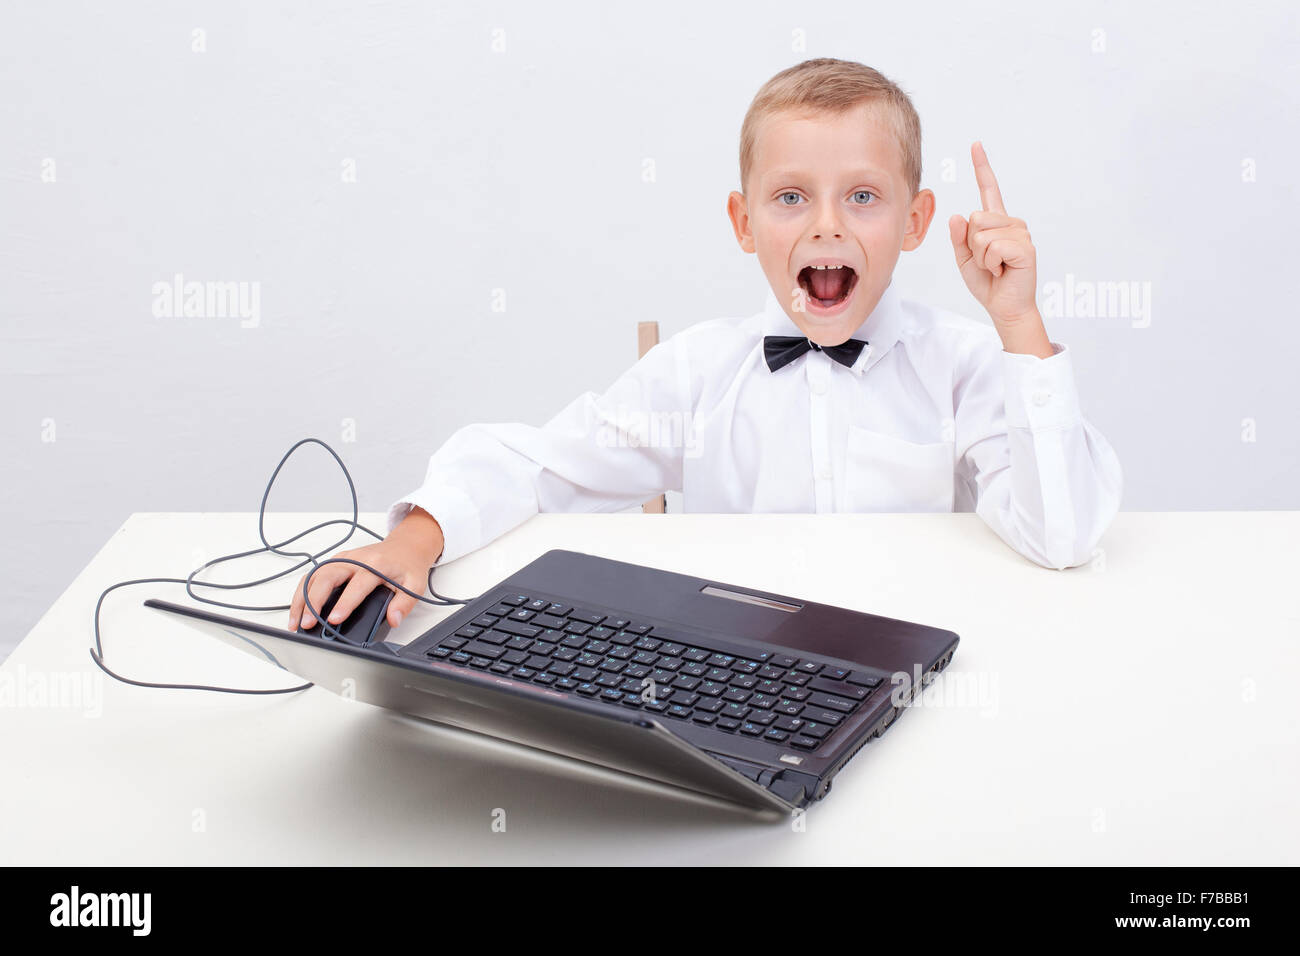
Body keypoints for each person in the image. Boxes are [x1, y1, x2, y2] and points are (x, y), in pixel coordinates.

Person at [289, 57, 1122, 633]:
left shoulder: (968, 363)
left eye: (862, 196)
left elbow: (1065, 537)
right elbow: (540, 466)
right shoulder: (698, 372)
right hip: (738, 677)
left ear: (914, 223)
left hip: (922, 670)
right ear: (743, 222)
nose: (827, 223)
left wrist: (1020, 323)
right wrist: (413, 541)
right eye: (792, 196)